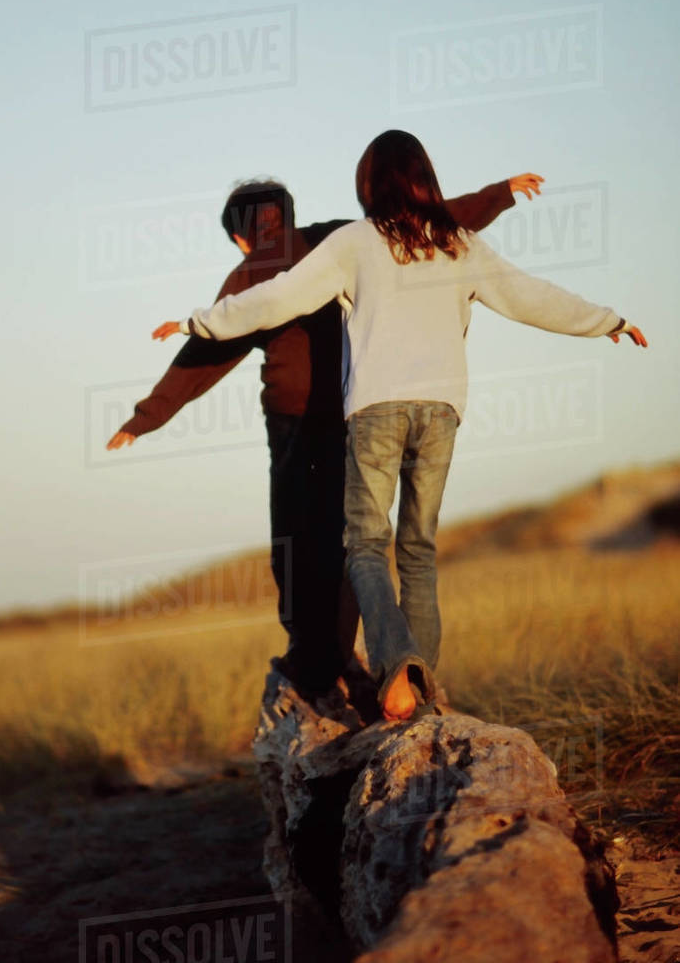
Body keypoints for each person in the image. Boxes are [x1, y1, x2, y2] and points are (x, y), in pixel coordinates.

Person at [153, 130, 647, 720]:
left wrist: (198, 323)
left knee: (364, 546)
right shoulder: (458, 242)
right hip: (442, 411)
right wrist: (605, 321)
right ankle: (419, 686)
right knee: (419, 550)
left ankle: (395, 673)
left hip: (375, 410)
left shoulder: (353, 242)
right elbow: (528, 295)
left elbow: (276, 299)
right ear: (424, 179)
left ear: (368, 185)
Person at [109, 166, 546, 696]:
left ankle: (312, 657)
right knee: (349, 540)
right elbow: (431, 221)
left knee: (294, 541)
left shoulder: (252, 271)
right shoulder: (340, 237)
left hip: (294, 424)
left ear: (239, 235)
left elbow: (207, 352)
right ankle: (339, 655)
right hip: (356, 413)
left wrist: (146, 417)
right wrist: (499, 195)